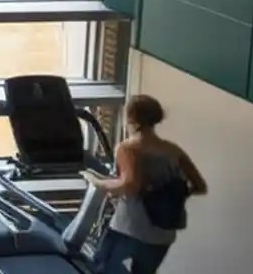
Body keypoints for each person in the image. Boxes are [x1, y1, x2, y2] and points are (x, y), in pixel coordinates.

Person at [85, 95, 207, 274]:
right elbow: (199, 186)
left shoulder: (128, 149)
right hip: (162, 234)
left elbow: (131, 184)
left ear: (131, 118)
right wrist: (170, 195)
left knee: (101, 268)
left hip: (129, 228)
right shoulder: (173, 150)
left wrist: (98, 183)